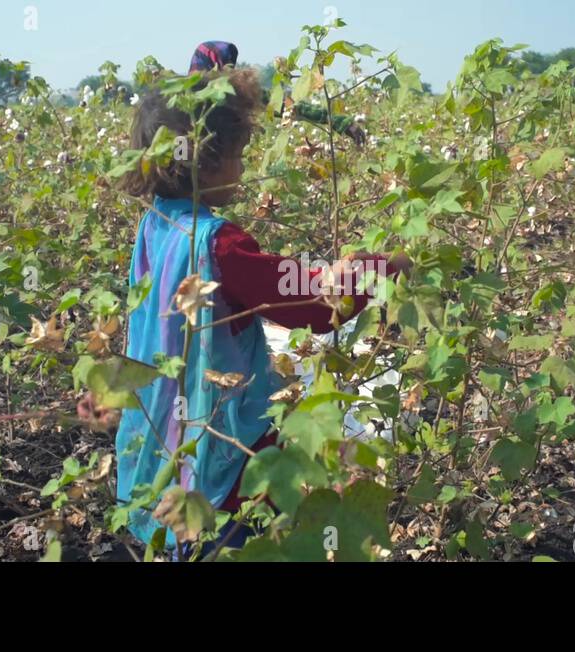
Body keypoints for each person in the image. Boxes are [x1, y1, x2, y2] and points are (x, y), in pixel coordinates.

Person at [77, 59, 403, 558]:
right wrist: (376, 268)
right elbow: (316, 305)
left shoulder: (156, 223)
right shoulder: (219, 244)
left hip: (160, 421)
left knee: (177, 524)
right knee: (232, 537)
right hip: (219, 436)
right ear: (205, 162)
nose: (245, 166)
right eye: (239, 154)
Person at [188, 40, 366, 146]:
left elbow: (291, 107)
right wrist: (180, 172)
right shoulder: (180, 100)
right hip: (179, 196)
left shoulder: (236, 93)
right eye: (223, 66)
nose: (227, 72)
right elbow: (174, 145)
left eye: (230, 67)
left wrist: (339, 122)